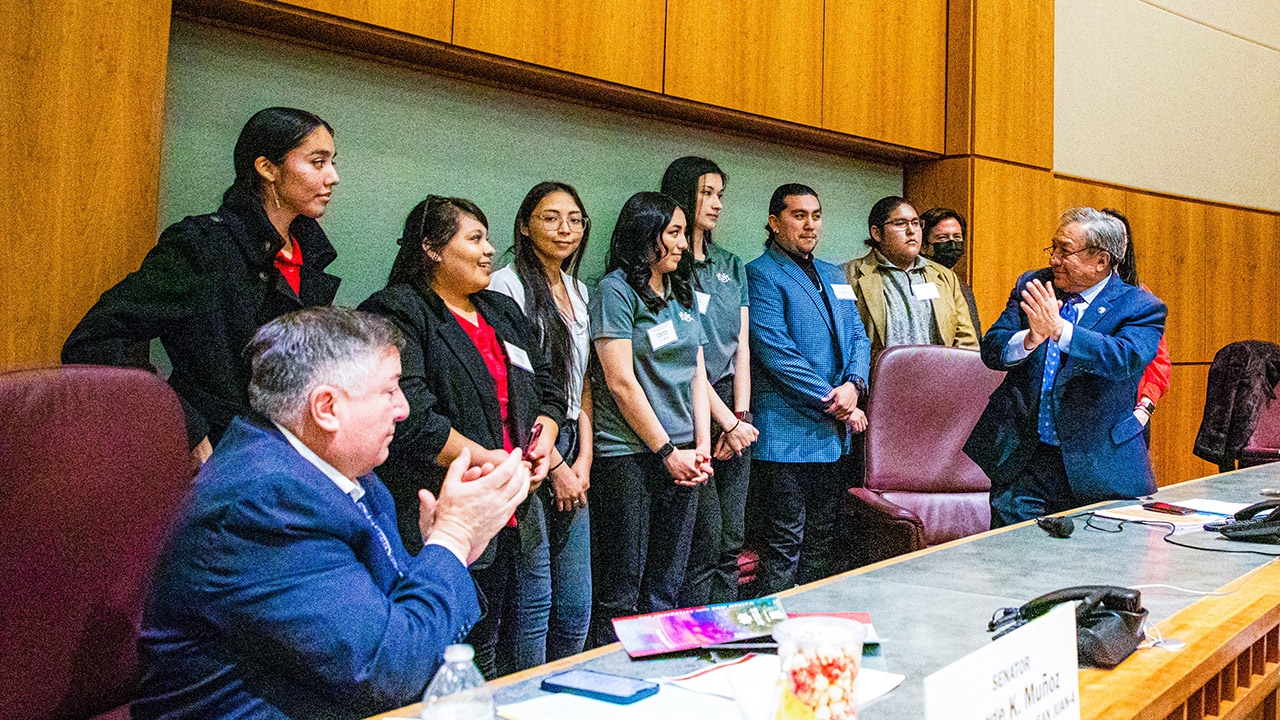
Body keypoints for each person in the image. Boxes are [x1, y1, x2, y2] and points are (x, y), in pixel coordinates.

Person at [133, 307, 531, 720]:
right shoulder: (264, 503)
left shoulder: (347, 476)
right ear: (326, 407)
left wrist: (446, 551)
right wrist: (454, 536)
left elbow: (394, 626)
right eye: (390, 390)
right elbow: (385, 672)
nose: (403, 409)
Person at [62, 108, 342, 463]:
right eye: (318, 162)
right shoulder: (203, 245)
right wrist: (184, 427)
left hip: (282, 458)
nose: (332, 177)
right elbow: (95, 339)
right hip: (219, 457)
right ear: (267, 168)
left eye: (332, 162)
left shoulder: (309, 253)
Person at [359, 196, 564, 679]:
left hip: (517, 497)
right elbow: (413, 420)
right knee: (450, 647)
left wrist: (542, 443)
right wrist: (498, 462)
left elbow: (550, 388)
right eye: (475, 239)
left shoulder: (500, 309)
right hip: (437, 504)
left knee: (510, 632)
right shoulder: (400, 310)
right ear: (431, 249)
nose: (490, 250)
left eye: (488, 237)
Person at [964, 207, 1167, 527]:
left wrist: (1062, 331)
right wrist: (1029, 339)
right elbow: (992, 347)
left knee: (1092, 569)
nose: (1054, 258)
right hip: (1025, 460)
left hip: (1098, 464)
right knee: (1011, 565)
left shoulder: (1140, 306)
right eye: (1053, 247)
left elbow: (1125, 358)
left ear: (1101, 260)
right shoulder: (1034, 284)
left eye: (1065, 250)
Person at [587, 191, 713, 647]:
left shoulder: (682, 290)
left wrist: (699, 447)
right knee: (623, 588)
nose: (684, 243)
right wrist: (665, 451)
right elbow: (620, 382)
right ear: (645, 236)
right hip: (631, 455)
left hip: (684, 455)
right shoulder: (614, 291)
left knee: (668, 584)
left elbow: (696, 372)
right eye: (674, 233)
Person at [487, 182, 594, 667]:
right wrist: (554, 466)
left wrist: (583, 457)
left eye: (574, 218)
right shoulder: (504, 286)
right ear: (526, 226)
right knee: (535, 600)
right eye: (551, 218)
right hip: (527, 447)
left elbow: (583, 384)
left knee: (576, 606)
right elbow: (515, 392)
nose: (565, 228)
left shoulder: (579, 289)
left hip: (573, 440)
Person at [747, 184, 871, 594]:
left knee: (822, 542)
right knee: (785, 545)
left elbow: (858, 336)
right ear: (774, 221)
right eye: (798, 215)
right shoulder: (760, 273)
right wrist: (836, 401)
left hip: (833, 436)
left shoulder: (835, 274)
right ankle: (770, 638)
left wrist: (853, 385)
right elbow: (775, 352)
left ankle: (810, 629)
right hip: (787, 435)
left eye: (815, 215)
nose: (809, 224)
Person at [661, 157, 758, 606]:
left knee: (731, 538)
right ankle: (698, 633)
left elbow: (740, 345)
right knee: (703, 538)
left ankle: (729, 631)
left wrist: (739, 418)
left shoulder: (731, 263)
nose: (716, 203)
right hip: (687, 406)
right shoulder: (670, 264)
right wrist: (722, 423)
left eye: (720, 194)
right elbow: (692, 353)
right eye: (706, 193)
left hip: (732, 407)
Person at [844, 196, 978, 364]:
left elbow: (966, 341)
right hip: (880, 382)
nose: (911, 230)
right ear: (876, 233)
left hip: (939, 381)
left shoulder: (944, 276)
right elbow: (843, 343)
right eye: (900, 223)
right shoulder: (848, 275)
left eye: (916, 223)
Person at [1102, 208, 1172, 437]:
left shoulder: (1141, 297)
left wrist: (1144, 408)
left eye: (1120, 239)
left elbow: (1159, 361)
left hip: (1130, 414)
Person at [921, 206, 983, 336]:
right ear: (924, 246)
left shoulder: (963, 287)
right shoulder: (919, 283)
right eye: (942, 238)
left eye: (957, 237)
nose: (952, 243)